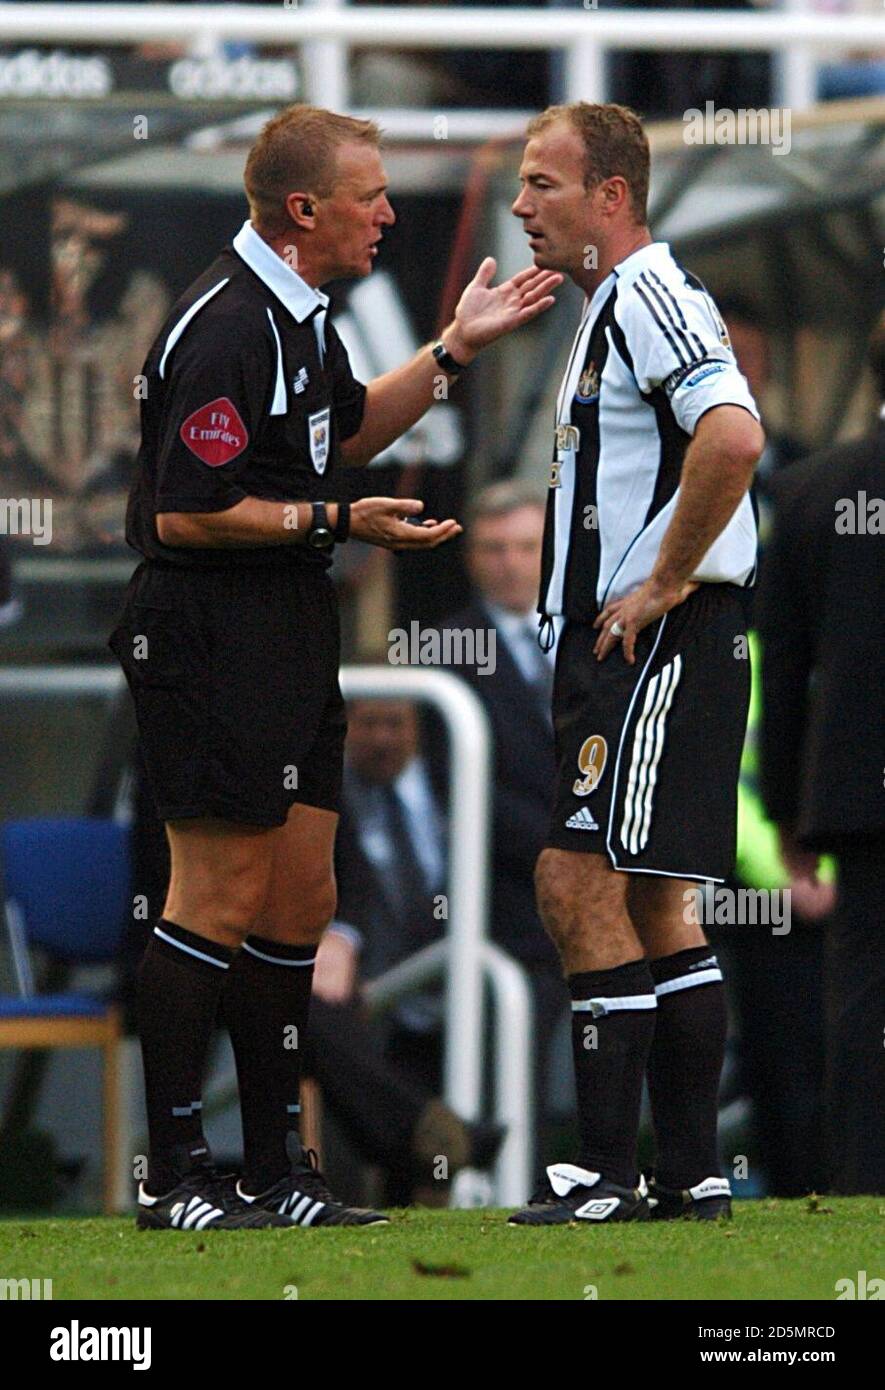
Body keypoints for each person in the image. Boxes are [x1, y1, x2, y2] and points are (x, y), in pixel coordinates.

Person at [109, 103, 561, 1232]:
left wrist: (454, 350)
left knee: (301, 898)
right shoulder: (226, 323)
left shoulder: (304, 313)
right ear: (306, 211)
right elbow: (188, 510)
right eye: (372, 195)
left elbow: (345, 432)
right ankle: (172, 1170)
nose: (390, 214)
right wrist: (335, 523)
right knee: (209, 895)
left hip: (287, 632)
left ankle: (278, 1169)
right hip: (208, 635)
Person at [506, 102, 765, 1226]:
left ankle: (607, 1175)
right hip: (639, 637)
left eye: (543, 185)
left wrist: (662, 578)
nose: (521, 206)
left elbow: (734, 434)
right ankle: (691, 1174)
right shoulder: (612, 304)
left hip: (655, 634)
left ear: (612, 197)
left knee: (574, 879)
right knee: (660, 898)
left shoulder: (652, 294)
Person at [757, 317, 885, 1195]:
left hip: (857, 798)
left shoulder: (809, 493)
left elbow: (781, 668)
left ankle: (861, 1183)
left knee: (864, 999)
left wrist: (783, 812)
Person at [437, 481, 568, 1167]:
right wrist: (561, 851)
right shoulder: (443, 650)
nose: (511, 563)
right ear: (470, 558)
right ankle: (518, 1179)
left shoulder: (596, 627)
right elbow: (456, 787)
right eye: (493, 549)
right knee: (513, 1061)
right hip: (505, 903)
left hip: (614, 879)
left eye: (526, 547)